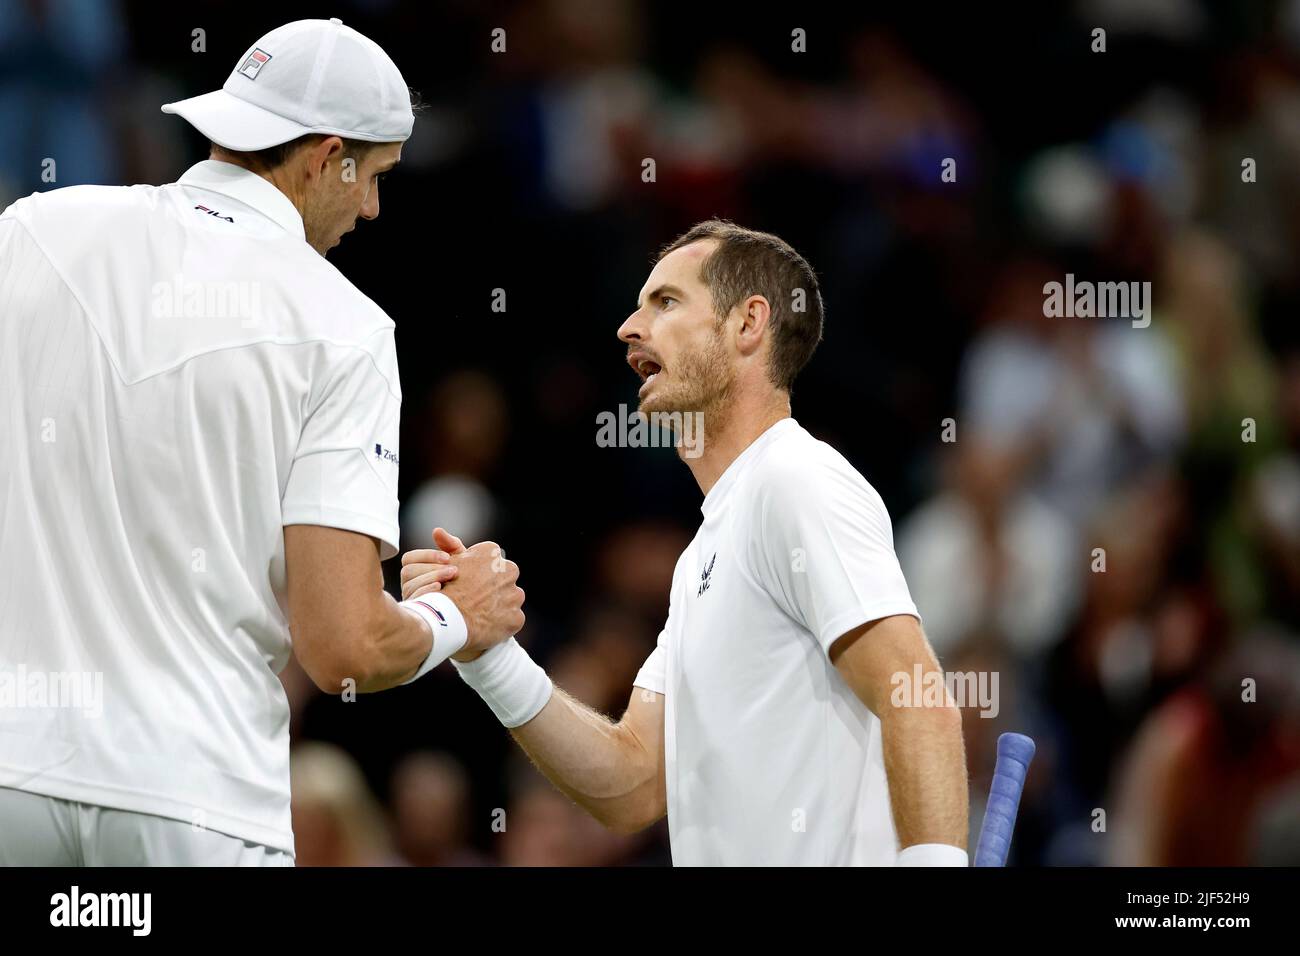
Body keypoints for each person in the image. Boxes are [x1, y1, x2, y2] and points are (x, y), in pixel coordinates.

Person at [0, 18, 523, 866]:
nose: (372, 207)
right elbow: (343, 646)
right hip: (196, 803)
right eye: (374, 177)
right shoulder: (345, 328)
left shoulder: (31, 231)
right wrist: (454, 616)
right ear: (324, 157)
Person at [404, 220, 968, 865]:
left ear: (748, 324)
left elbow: (916, 695)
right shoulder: (704, 553)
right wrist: (488, 656)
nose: (628, 328)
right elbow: (631, 784)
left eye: (665, 302)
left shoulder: (794, 479)